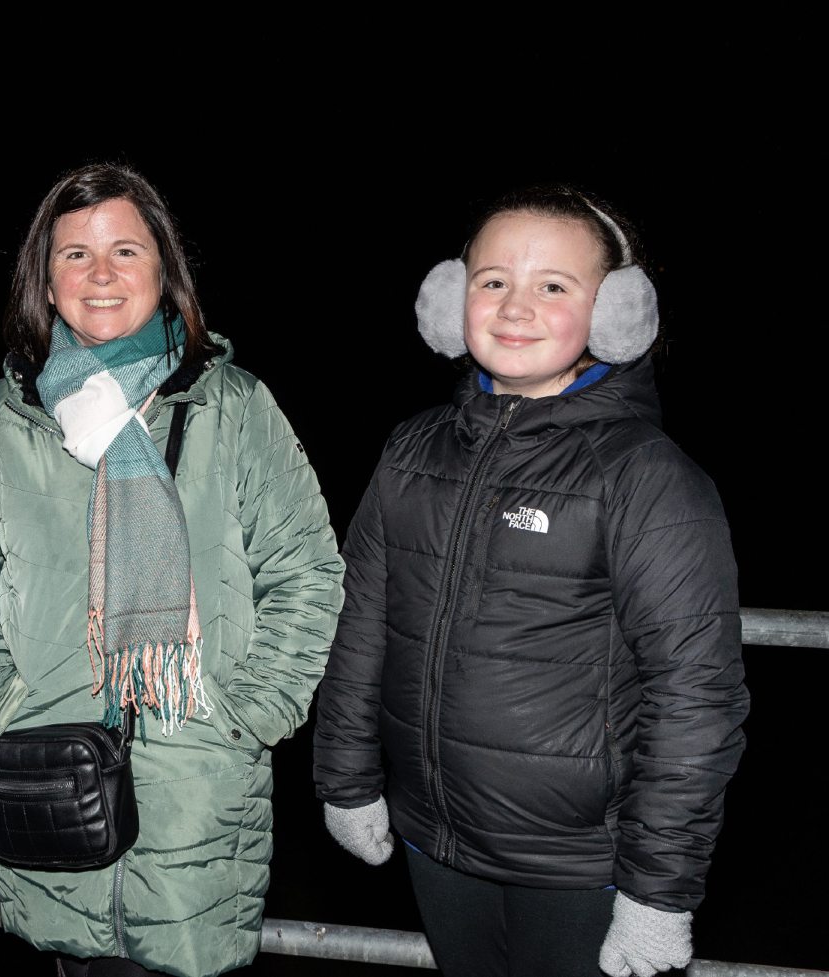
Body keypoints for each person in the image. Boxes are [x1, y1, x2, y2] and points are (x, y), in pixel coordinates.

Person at [312, 185, 750, 977]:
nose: (516, 306)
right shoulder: (412, 449)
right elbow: (363, 624)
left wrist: (659, 891)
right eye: (492, 280)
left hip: (584, 866)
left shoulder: (645, 475)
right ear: (452, 299)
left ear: (615, 312)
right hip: (435, 842)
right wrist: (345, 779)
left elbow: (696, 694)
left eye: (554, 284)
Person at [0, 162, 344, 977]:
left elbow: (305, 572)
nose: (102, 273)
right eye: (74, 254)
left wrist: (246, 714)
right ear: (44, 283)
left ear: (165, 270)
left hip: (200, 787)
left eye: (126, 249)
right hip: (45, 775)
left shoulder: (231, 407)